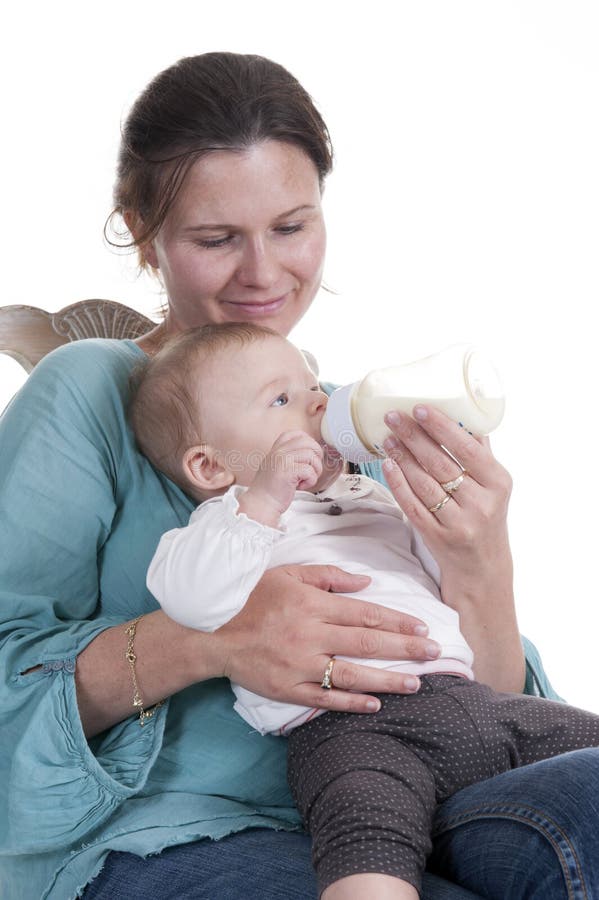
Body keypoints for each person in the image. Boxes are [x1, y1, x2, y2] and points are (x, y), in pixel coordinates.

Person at [0, 50, 597, 900]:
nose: (264, 275)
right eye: (216, 239)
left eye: (291, 227)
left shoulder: (329, 426)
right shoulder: (92, 390)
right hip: (179, 827)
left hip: (427, 787)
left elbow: (472, 692)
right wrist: (213, 640)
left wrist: (479, 563)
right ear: (141, 229)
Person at [130, 321, 599, 899]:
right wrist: (266, 496)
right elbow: (193, 600)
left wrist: (436, 505)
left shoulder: (367, 499)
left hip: (478, 706)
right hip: (355, 730)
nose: (318, 403)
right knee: (367, 845)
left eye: (312, 388)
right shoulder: (224, 527)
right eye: (282, 399)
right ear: (210, 466)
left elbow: (447, 581)